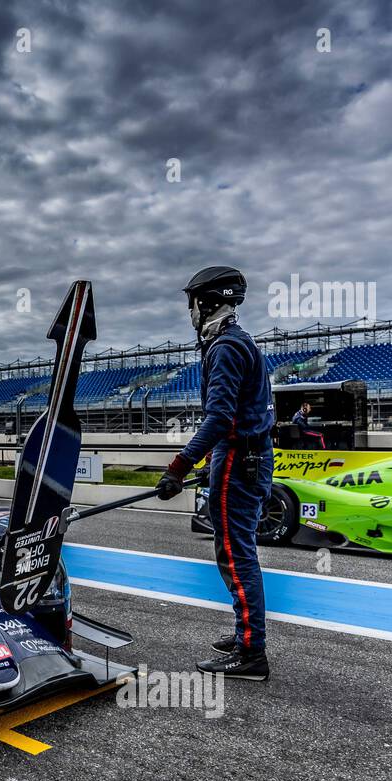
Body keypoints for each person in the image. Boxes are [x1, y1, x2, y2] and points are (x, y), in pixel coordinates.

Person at [155, 266, 275, 681]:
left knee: (236, 556)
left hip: (239, 459)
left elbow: (220, 418)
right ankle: (247, 635)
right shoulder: (240, 342)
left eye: (190, 302)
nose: (188, 312)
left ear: (204, 303)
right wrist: (209, 465)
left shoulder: (224, 347)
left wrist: (179, 466)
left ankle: (250, 653)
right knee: (240, 553)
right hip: (249, 457)